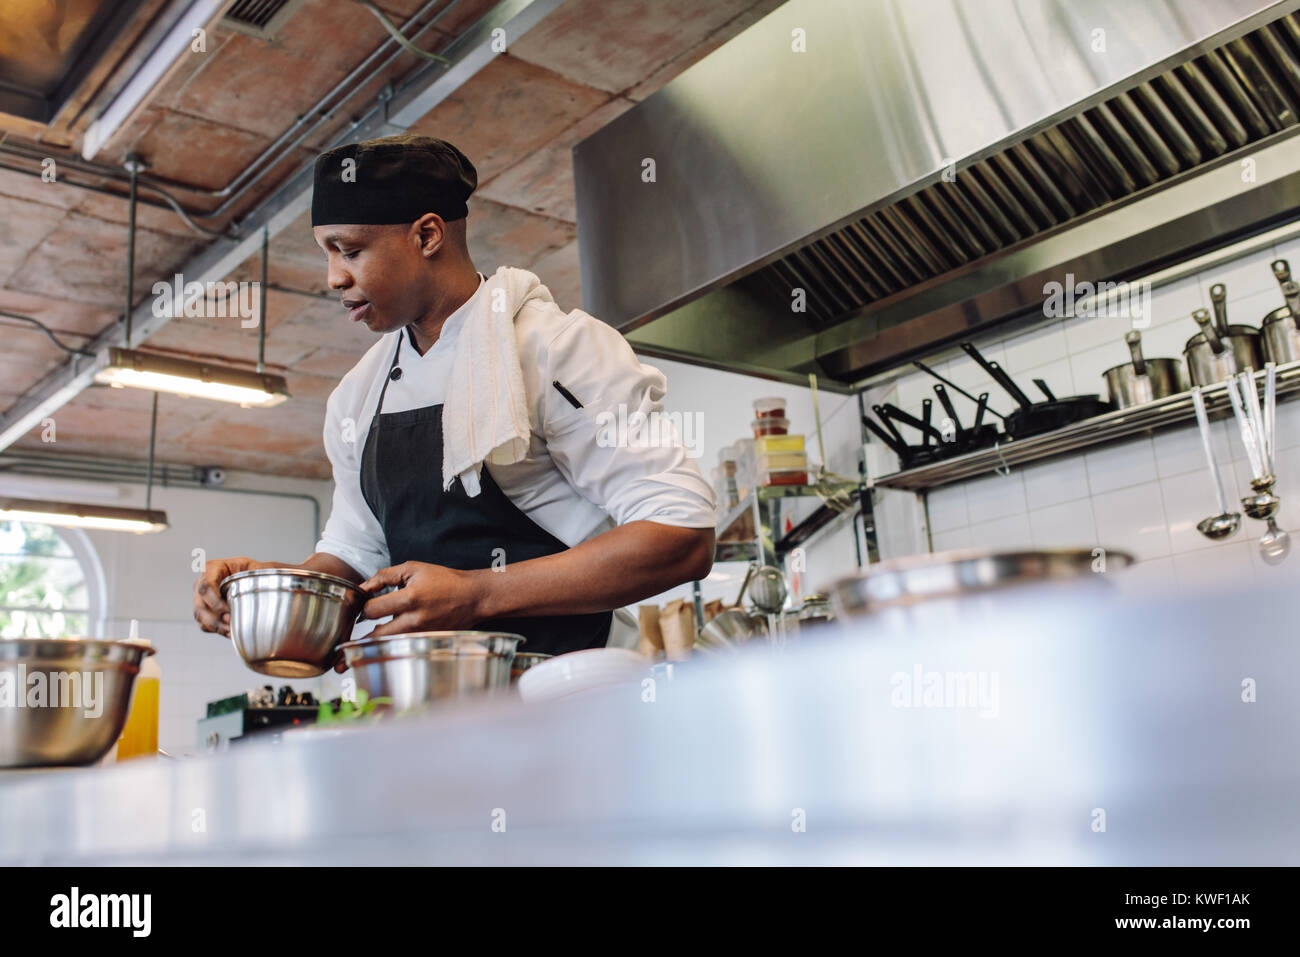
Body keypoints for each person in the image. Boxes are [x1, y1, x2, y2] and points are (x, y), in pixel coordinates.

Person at [193, 134, 716, 657]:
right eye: (327, 253)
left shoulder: (555, 349)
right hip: (434, 705)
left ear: (426, 235)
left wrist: (477, 595)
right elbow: (354, 552)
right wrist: (269, 587)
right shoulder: (357, 396)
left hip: (574, 692)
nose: (333, 278)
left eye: (350, 251)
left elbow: (681, 532)